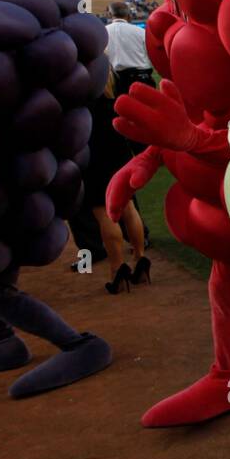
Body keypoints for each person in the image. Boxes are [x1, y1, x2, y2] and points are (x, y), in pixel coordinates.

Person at [84, 69, 147, 293]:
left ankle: (117, 268)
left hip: (93, 147)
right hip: (117, 144)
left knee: (104, 211)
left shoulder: (80, 79)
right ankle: (140, 258)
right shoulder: (109, 71)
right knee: (128, 205)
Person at [104, 2, 154, 97]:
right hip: (142, 79)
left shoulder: (102, 32)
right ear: (128, 15)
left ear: (110, 14)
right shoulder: (141, 31)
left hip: (116, 82)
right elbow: (151, 55)